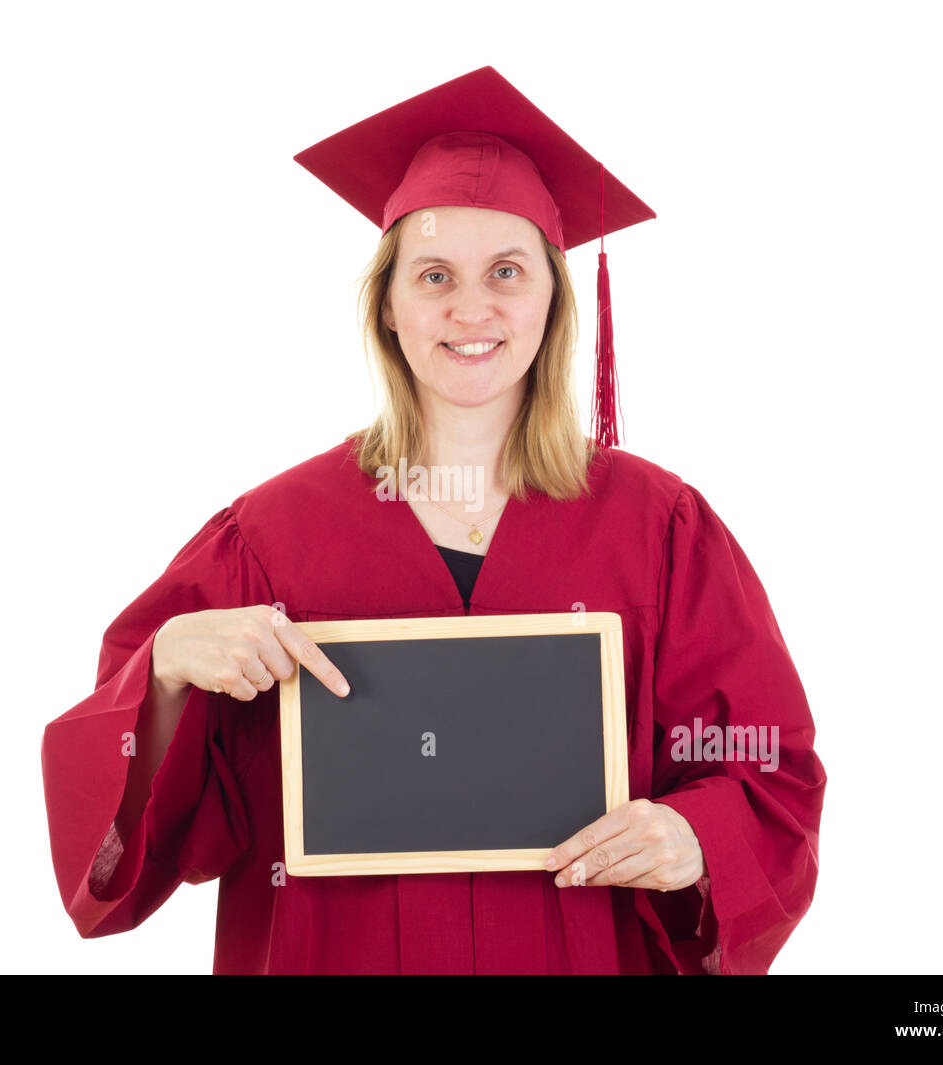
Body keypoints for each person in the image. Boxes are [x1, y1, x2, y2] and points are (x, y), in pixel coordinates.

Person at [40, 66, 827, 975]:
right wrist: (171, 669)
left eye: (506, 271)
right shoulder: (269, 537)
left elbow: (772, 770)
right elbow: (140, 839)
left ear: (553, 301)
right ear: (388, 302)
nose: (471, 307)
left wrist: (693, 836)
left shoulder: (660, 529)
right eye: (434, 274)